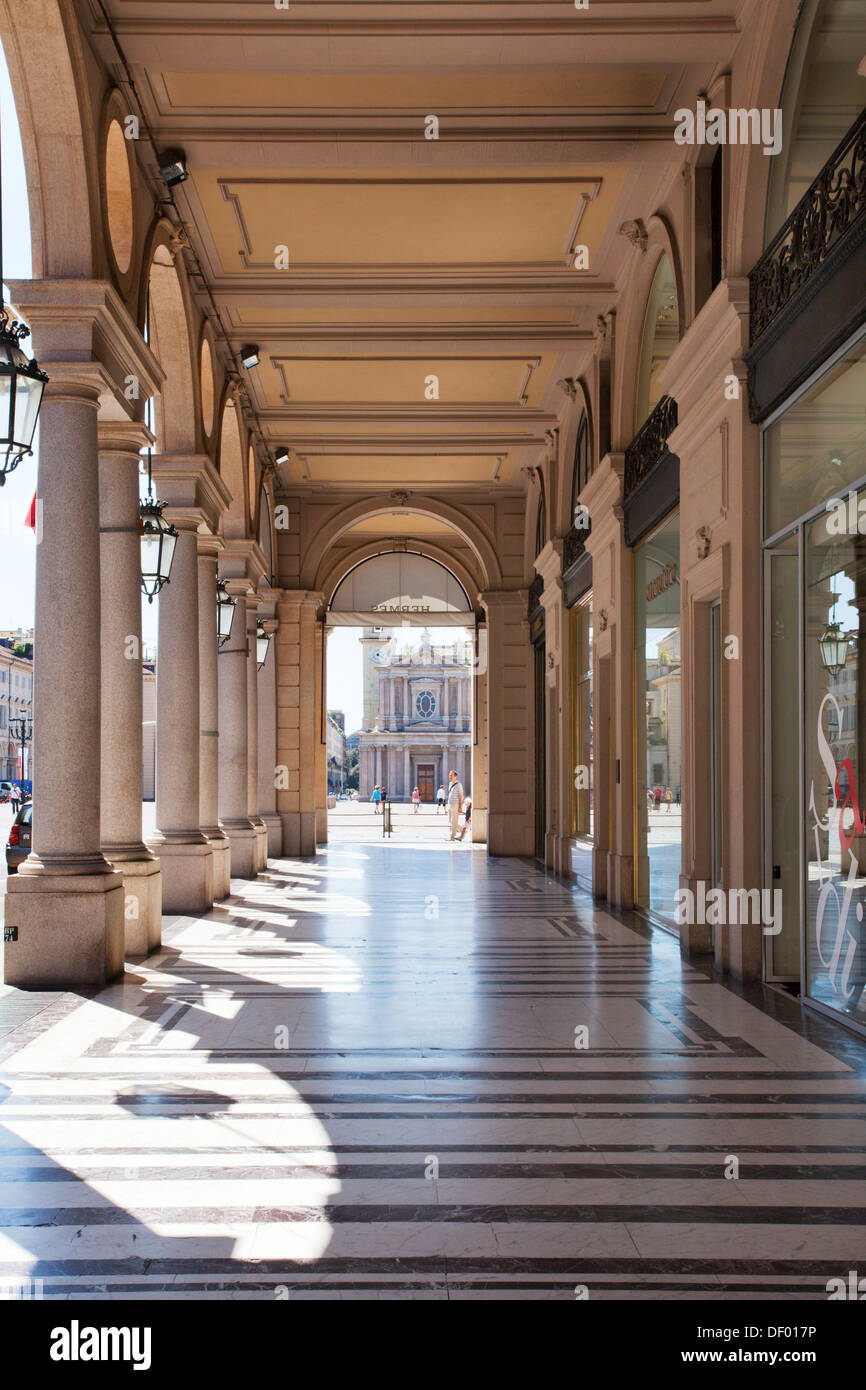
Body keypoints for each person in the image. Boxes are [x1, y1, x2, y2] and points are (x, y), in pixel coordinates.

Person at [447, 768, 464, 840]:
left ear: (455, 776)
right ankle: (463, 830)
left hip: (456, 805)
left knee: (454, 821)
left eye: (451, 775)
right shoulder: (450, 784)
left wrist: (460, 807)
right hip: (450, 804)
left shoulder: (459, 784)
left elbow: (461, 796)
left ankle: (452, 836)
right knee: (451, 821)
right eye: (449, 775)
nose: (450, 776)